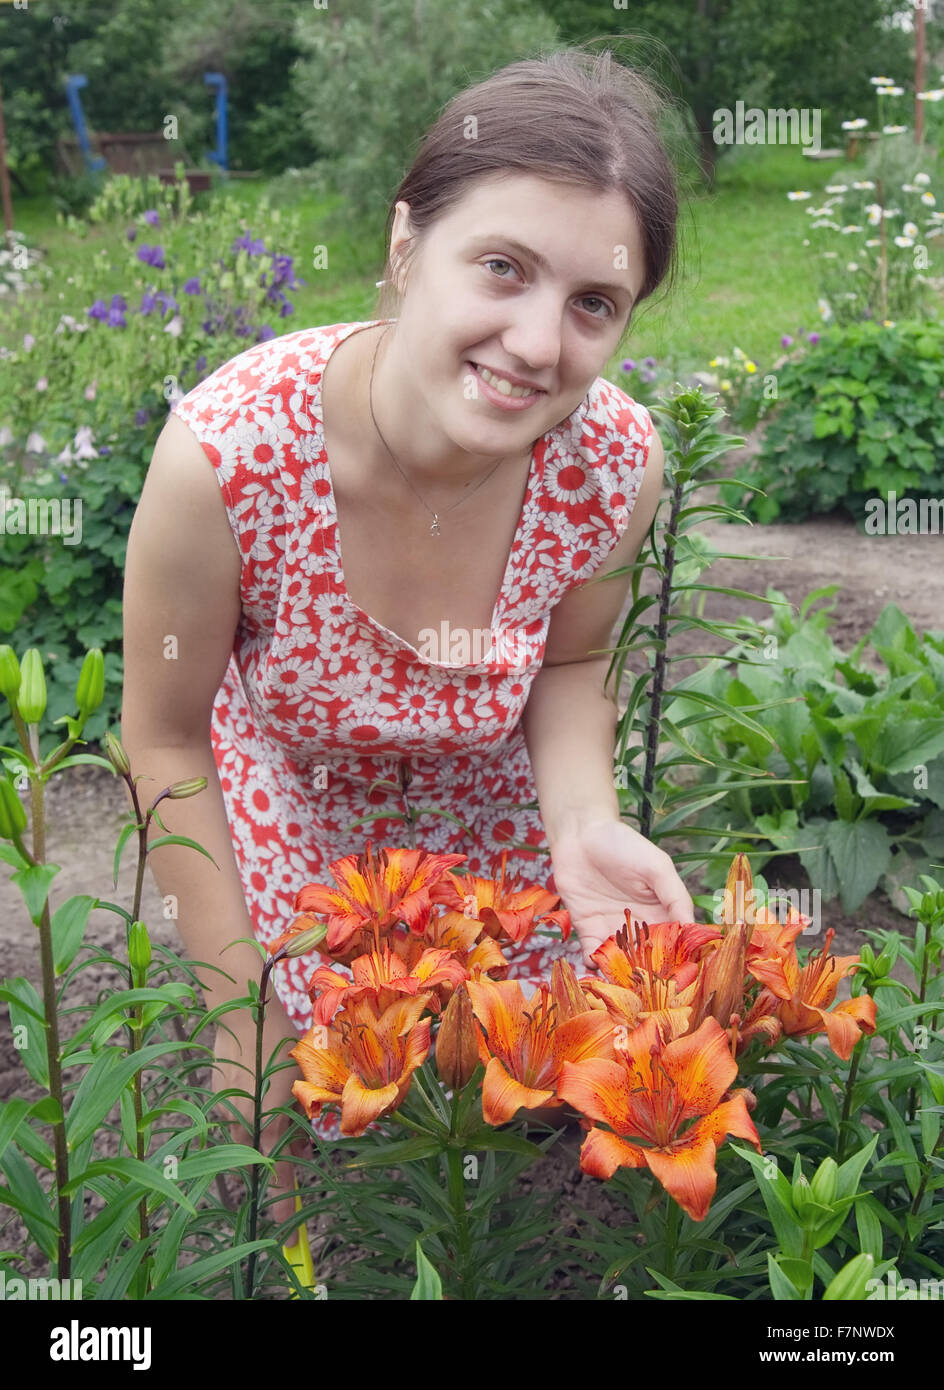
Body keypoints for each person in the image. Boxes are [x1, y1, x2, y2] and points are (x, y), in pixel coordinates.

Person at [120, 46, 695, 1236]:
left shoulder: (611, 462)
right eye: (502, 267)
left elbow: (575, 664)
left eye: (593, 303)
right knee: (305, 1172)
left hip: (496, 846)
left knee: (487, 1147)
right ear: (403, 245)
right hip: (301, 841)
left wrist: (583, 828)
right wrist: (244, 1002)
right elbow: (165, 739)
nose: (539, 345)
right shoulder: (225, 456)